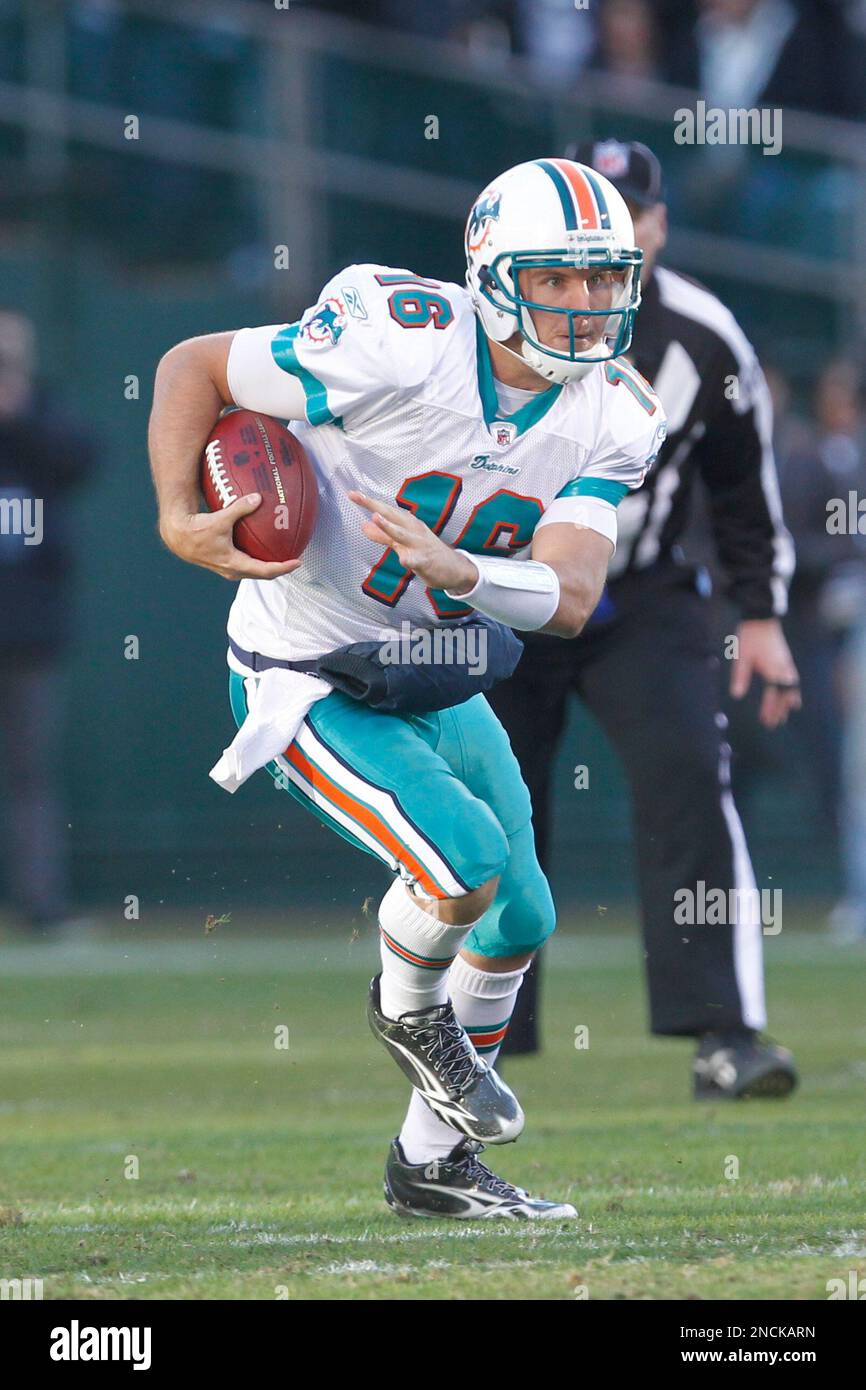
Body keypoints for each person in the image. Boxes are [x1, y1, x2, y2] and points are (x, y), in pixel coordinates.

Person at [148, 157, 666, 1217]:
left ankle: (431, 1164)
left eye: (601, 278)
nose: (584, 304)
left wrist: (461, 571)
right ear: (490, 272)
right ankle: (407, 1009)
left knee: (519, 912)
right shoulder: (397, 339)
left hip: (428, 670)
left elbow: (568, 596)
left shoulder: (614, 410)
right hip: (308, 669)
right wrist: (172, 512)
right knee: (464, 864)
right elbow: (191, 363)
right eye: (556, 279)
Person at [488, 140, 801, 1100]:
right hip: (505, 591)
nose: (608, 233)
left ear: (658, 227)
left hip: (645, 596)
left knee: (686, 786)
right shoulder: (486, 316)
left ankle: (724, 1031)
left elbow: (744, 489)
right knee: (489, 806)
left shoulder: (705, 338)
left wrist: (761, 614)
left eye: (626, 213)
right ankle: (472, 1036)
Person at [0, 311, 95, 935]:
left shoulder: (43, 416)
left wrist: (19, 402)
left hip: (26, 629)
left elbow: (81, 457)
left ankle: (41, 905)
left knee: (30, 771)